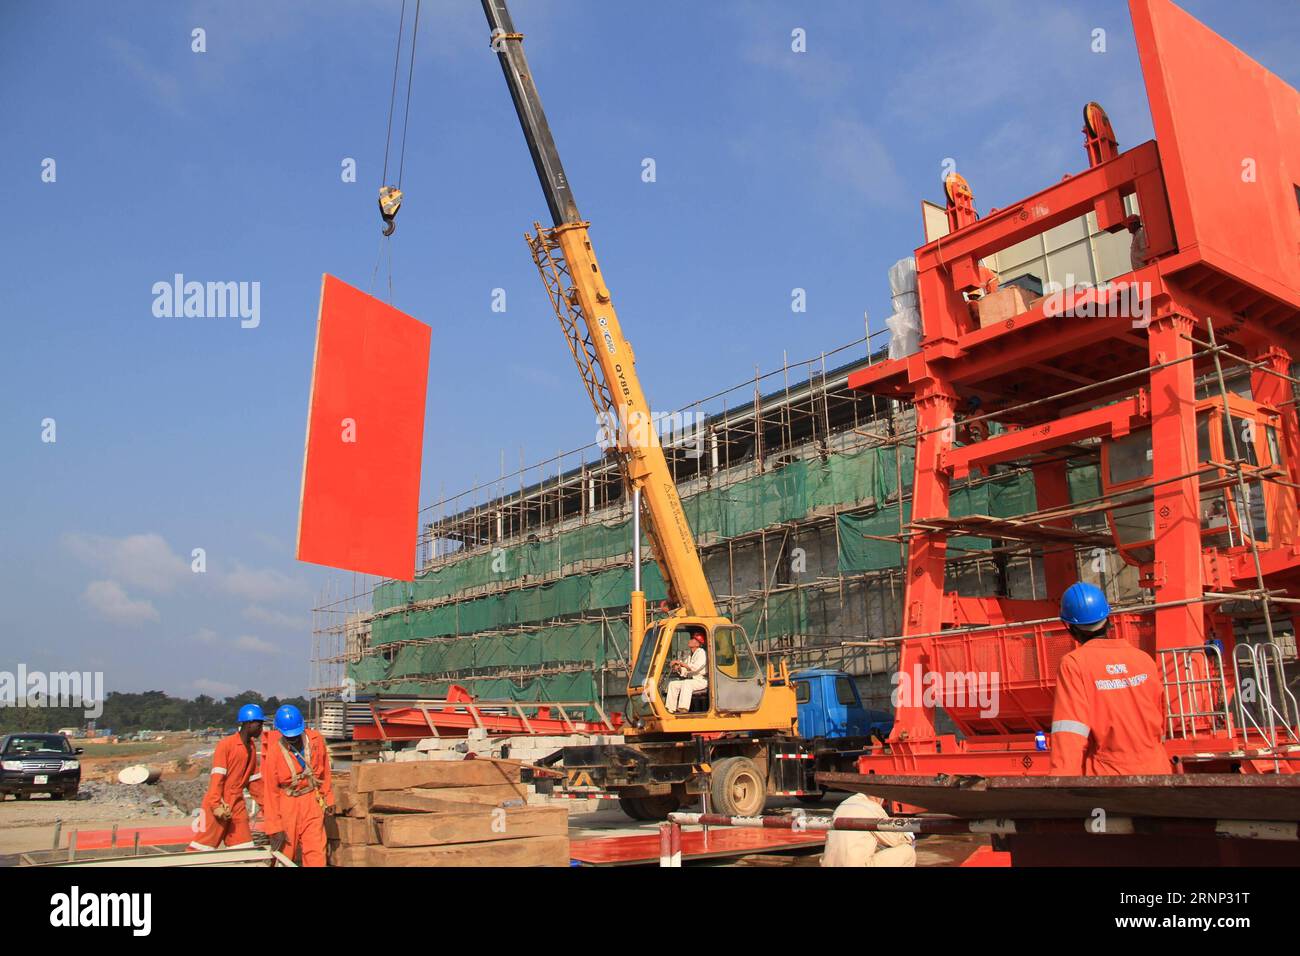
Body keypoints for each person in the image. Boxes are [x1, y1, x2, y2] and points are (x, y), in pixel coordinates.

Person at [1049, 582, 1170, 775]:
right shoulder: (1143, 659)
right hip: (1157, 771)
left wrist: (1062, 785)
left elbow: (1069, 733)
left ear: (1071, 628)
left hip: (1111, 780)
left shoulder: (1074, 664)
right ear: (1108, 619)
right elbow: (1160, 720)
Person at [261, 704, 334, 866]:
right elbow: (270, 792)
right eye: (289, 736)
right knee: (285, 854)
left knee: (316, 851)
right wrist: (274, 827)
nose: (293, 738)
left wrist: (328, 798)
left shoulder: (315, 740)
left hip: (311, 801)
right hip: (287, 803)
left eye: (295, 734)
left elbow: (325, 772)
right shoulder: (275, 752)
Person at [189, 703, 265, 851]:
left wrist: (267, 806)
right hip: (219, 801)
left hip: (237, 803)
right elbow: (217, 778)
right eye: (259, 724)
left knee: (243, 847)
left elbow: (254, 781)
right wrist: (216, 805)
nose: (261, 729)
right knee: (202, 847)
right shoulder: (226, 745)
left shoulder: (251, 747)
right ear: (248, 723)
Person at [820, 793, 916, 867]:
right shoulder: (871, 807)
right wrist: (908, 836)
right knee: (908, 851)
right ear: (878, 796)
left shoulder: (844, 804)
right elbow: (894, 840)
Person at [665, 632, 708, 713]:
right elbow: (685, 671)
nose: (690, 640)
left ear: (697, 643)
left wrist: (680, 663)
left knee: (687, 683)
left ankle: (683, 708)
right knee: (673, 684)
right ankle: (670, 709)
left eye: (692, 639)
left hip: (701, 680)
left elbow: (694, 668)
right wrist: (678, 668)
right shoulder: (690, 655)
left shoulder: (701, 653)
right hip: (693, 680)